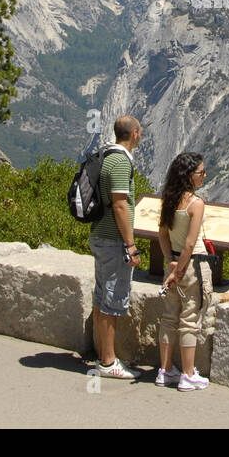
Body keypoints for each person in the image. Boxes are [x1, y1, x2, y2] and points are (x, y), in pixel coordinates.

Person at [156, 152, 213, 391]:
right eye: (200, 172)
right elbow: (191, 243)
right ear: (190, 176)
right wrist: (179, 272)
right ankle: (188, 375)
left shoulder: (168, 199)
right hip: (193, 266)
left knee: (169, 318)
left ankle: (165, 370)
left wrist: (171, 262)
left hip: (173, 263)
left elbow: (162, 234)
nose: (204, 175)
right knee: (189, 319)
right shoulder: (195, 204)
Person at [90, 115, 142, 379]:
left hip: (100, 235)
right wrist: (130, 245)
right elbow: (120, 204)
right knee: (112, 299)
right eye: (139, 132)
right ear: (133, 134)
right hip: (113, 241)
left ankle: (103, 356)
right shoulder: (121, 162)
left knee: (101, 298)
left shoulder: (106, 156)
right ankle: (108, 363)